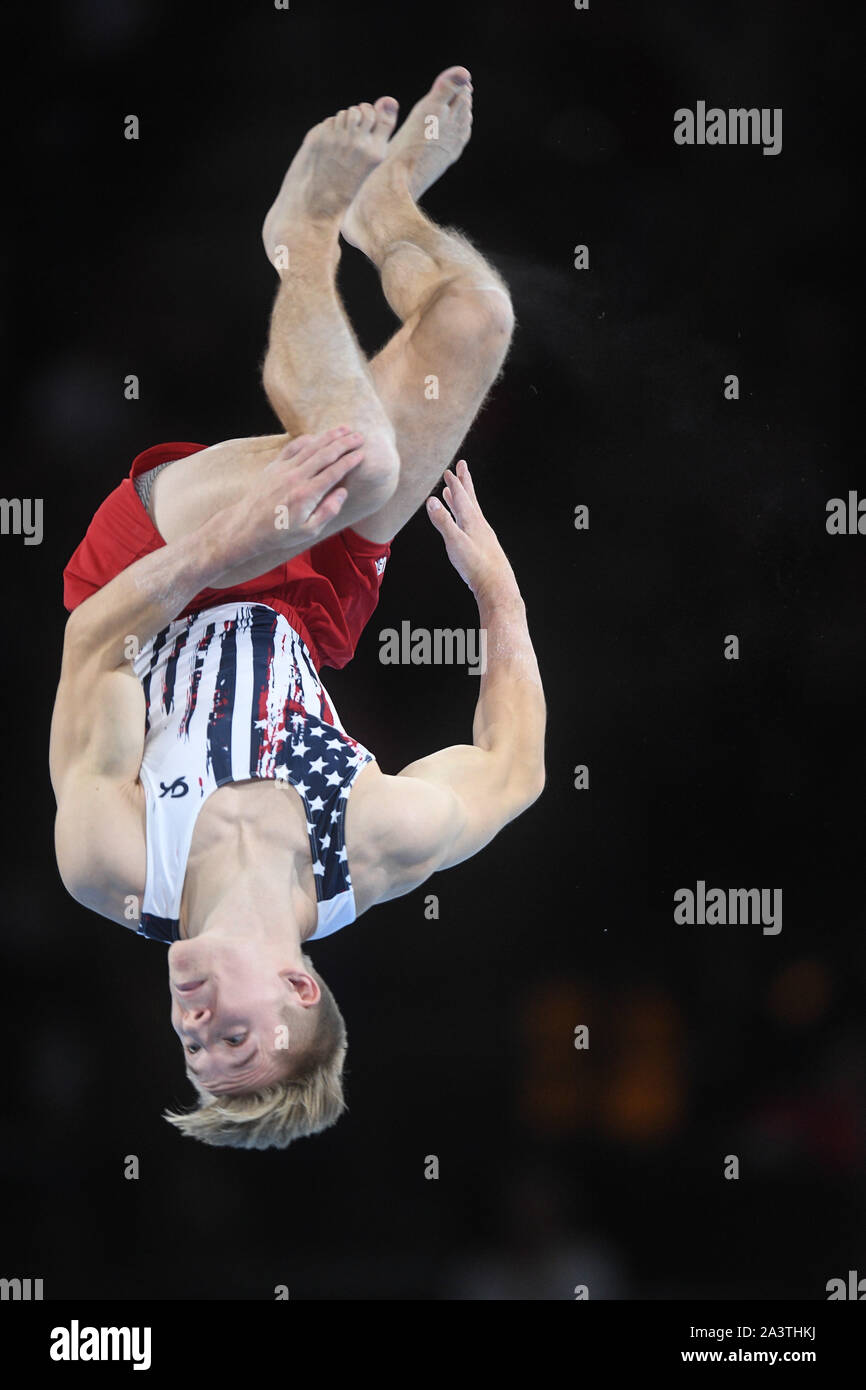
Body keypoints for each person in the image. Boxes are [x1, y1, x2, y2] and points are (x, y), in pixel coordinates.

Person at [50, 68, 545, 1149]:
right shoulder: (373, 841)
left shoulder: (116, 864)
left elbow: (92, 639)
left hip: (150, 571)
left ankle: (306, 230)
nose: (194, 1025)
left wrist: (228, 544)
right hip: (312, 600)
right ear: (297, 987)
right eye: (231, 1039)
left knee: (362, 456)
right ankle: (385, 214)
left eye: (189, 1047)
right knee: (473, 318)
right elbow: (512, 768)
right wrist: (497, 594)